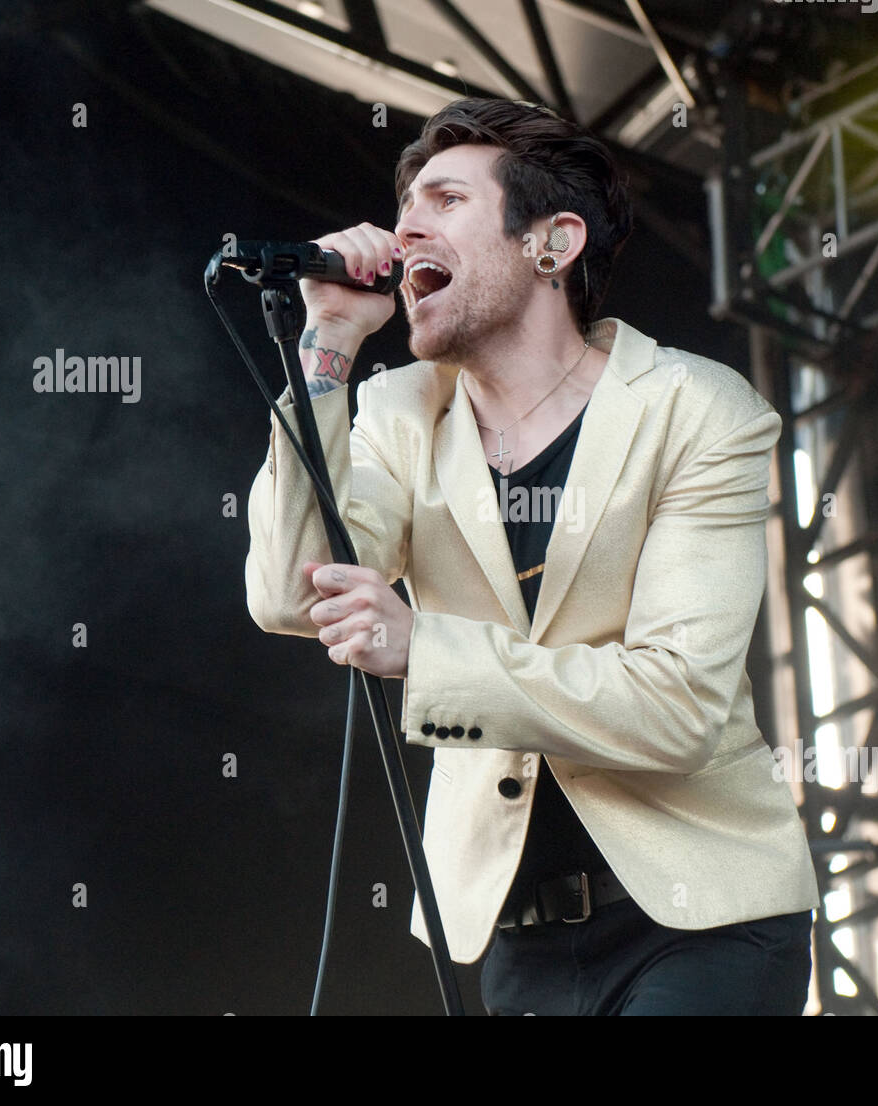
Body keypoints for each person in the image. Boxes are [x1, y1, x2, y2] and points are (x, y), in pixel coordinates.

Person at [244, 97, 820, 1015]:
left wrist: (425, 651)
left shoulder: (696, 411)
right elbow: (288, 590)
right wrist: (327, 350)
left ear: (551, 244)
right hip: (519, 940)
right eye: (405, 207)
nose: (405, 227)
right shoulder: (402, 413)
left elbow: (676, 705)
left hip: (705, 919)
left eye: (444, 200)